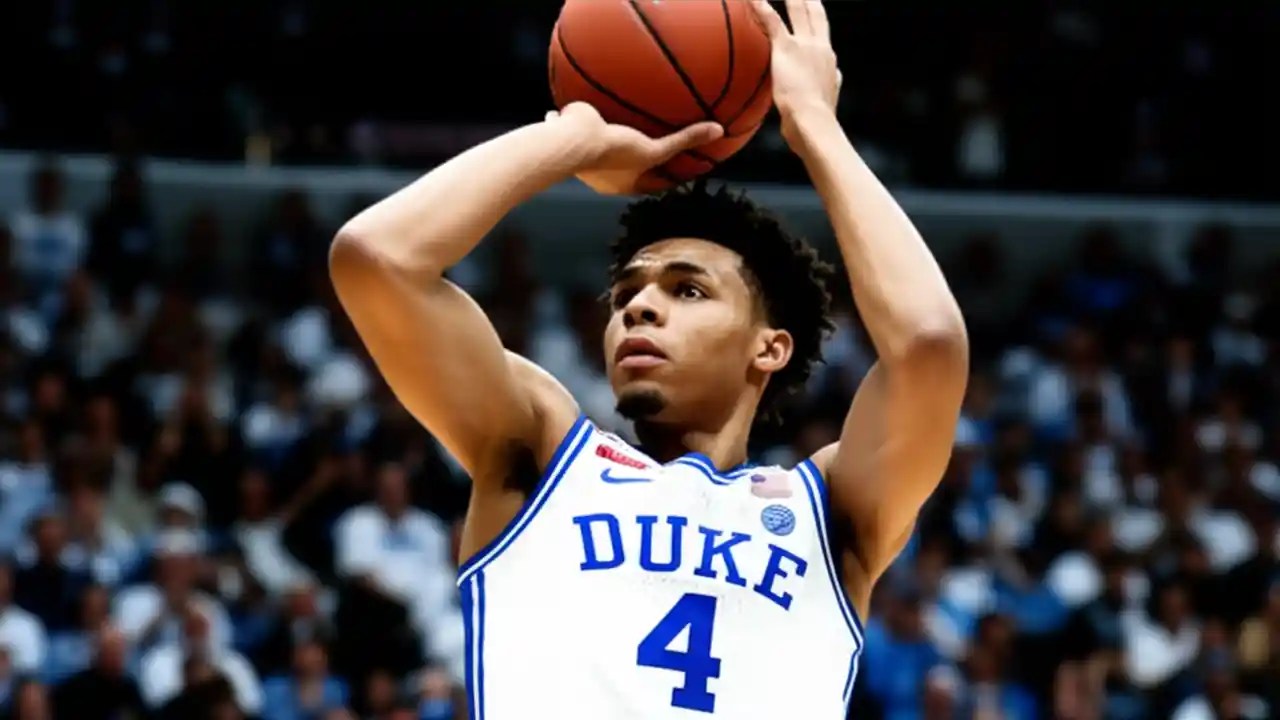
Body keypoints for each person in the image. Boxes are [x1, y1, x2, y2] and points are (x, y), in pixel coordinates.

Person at [329, 1, 967, 718]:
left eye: (687, 289)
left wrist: (814, 124)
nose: (638, 306)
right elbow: (375, 260)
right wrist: (569, 139)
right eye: (626, 292)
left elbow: (929, 346)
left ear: (770, 347)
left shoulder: (831, 510)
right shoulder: (543, 455)